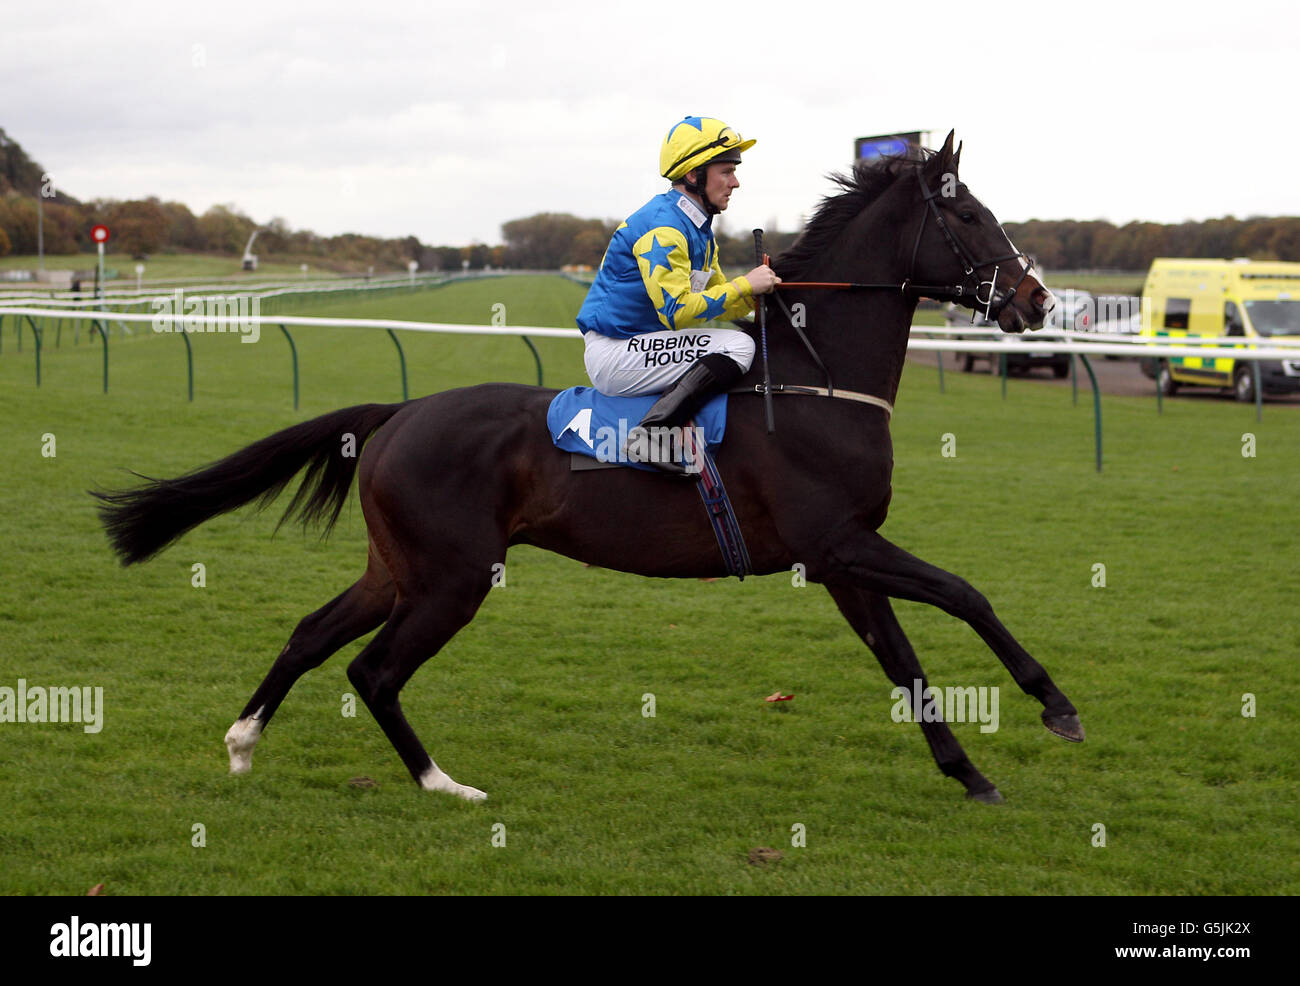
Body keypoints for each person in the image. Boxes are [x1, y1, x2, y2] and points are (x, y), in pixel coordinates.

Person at [576, 116, 780, 474]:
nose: (735, 182)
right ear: (693, 175)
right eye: (726, 171)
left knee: (738, 340)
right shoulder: (665, 227)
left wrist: (759, 296)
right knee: (739, 346)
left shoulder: (698, 228)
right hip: (616, 353)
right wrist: (746, 285)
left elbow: (719, 294)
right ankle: (651, 433)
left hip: (643, 345)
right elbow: (677, 312)